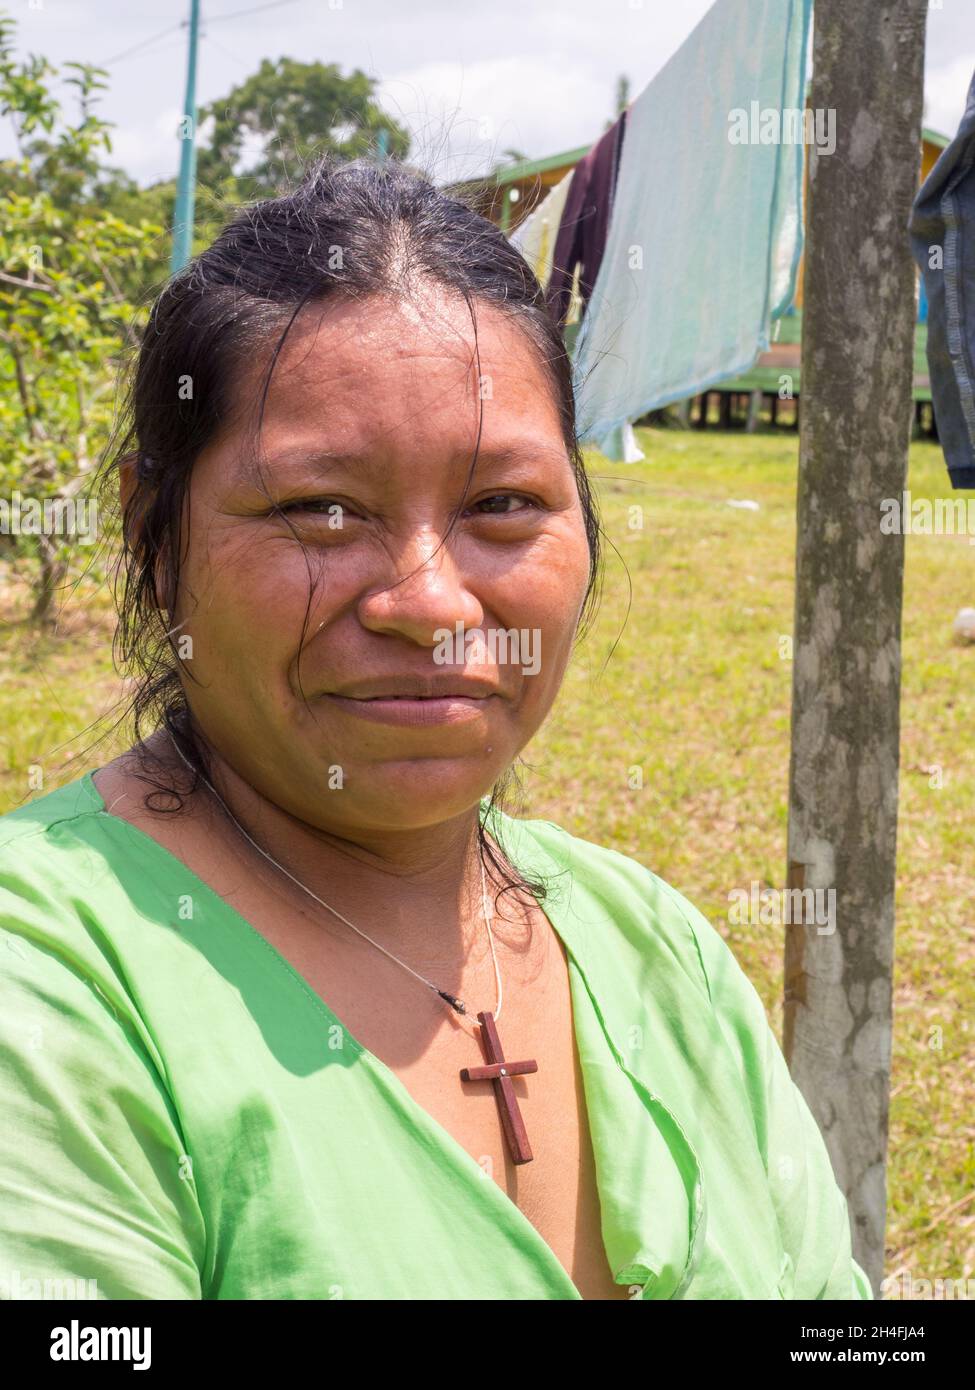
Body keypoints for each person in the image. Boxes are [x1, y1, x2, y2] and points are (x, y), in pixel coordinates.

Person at [0, 157, 871, 1301]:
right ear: (156, 540)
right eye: (321, 509)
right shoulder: (48, 986)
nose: (429, 603)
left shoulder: (660, 953)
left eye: (501, 505)